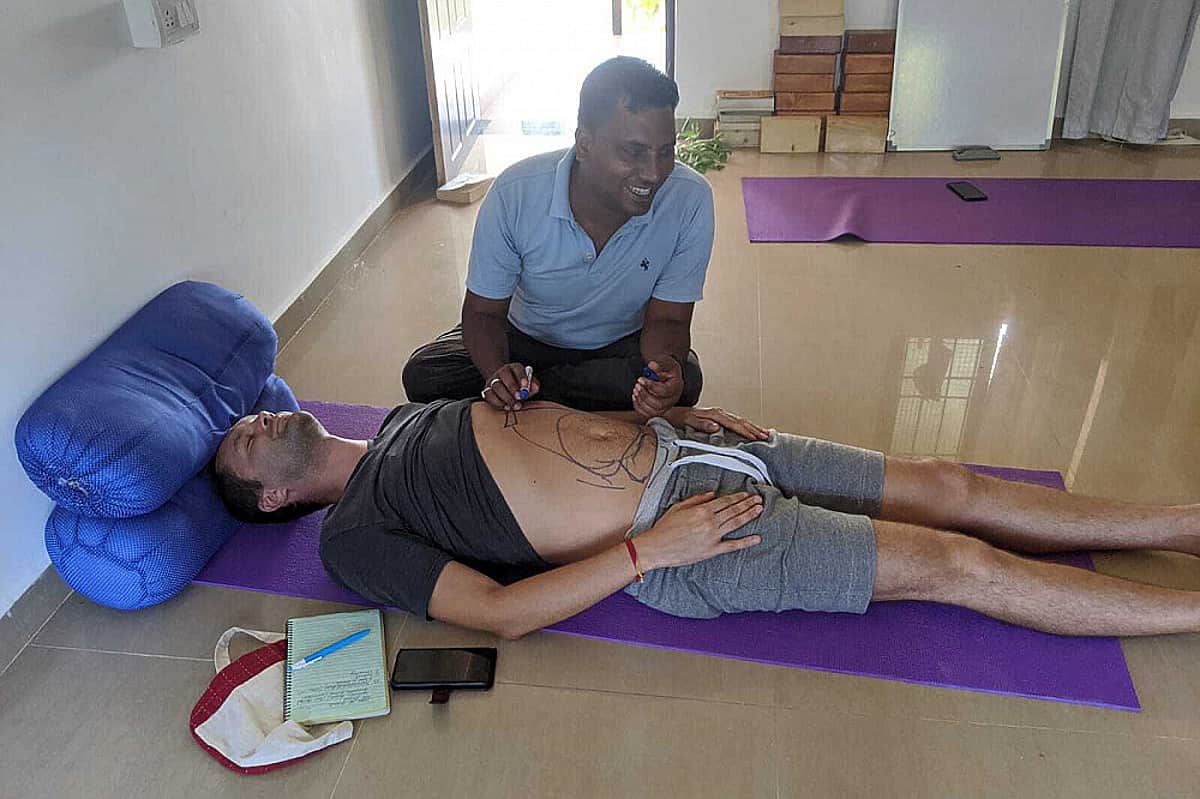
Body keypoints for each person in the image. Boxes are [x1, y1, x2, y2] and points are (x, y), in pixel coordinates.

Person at [211, 401, 1200, 641]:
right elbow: (497, 613)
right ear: (271, 499)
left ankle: (1182, 521)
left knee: (951, 483)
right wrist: (650, 550)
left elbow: (548, 426)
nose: (254, 423)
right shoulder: (351, 535)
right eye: (242, 447)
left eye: (248, 418)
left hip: (693, 442)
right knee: (952, 560)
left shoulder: (402, 414)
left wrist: (670, 413)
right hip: (685, 534)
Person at [401, 55, 714, 416]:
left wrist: (665, 371)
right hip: (524, 340)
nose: (654, 173)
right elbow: (483, 312)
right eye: (634, 152)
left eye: (666, 152)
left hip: (620, 343)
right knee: (425, 374)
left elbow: (669, 320)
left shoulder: (689, 199)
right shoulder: (516, 193)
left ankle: (536, 402)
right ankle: (559, 399)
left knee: (686, 380)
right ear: (584, 143)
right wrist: (497, 374)